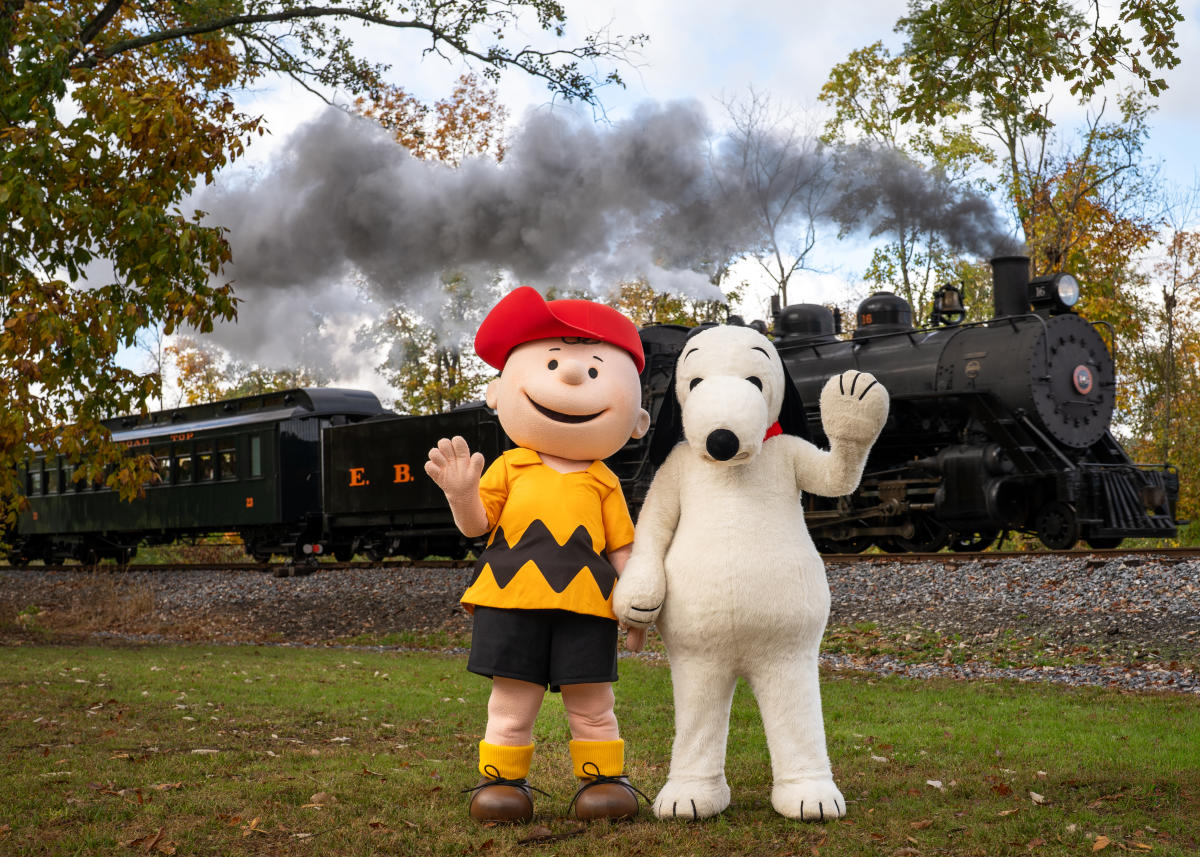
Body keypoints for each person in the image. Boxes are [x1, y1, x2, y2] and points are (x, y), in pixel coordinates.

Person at [424, 287, 651, 824]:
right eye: (553, 364)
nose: (572, 377)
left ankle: (602, 784)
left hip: (589, 607)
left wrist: (640, 605)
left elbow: (624, 548)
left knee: (594, 706)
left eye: (595, 371)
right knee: (511, 703)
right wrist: (462, 493)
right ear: (498, 394)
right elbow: (478, 527)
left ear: (637, 420)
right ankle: (501, 785)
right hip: (510, 599)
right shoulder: (509, 466)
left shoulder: (605, 481)